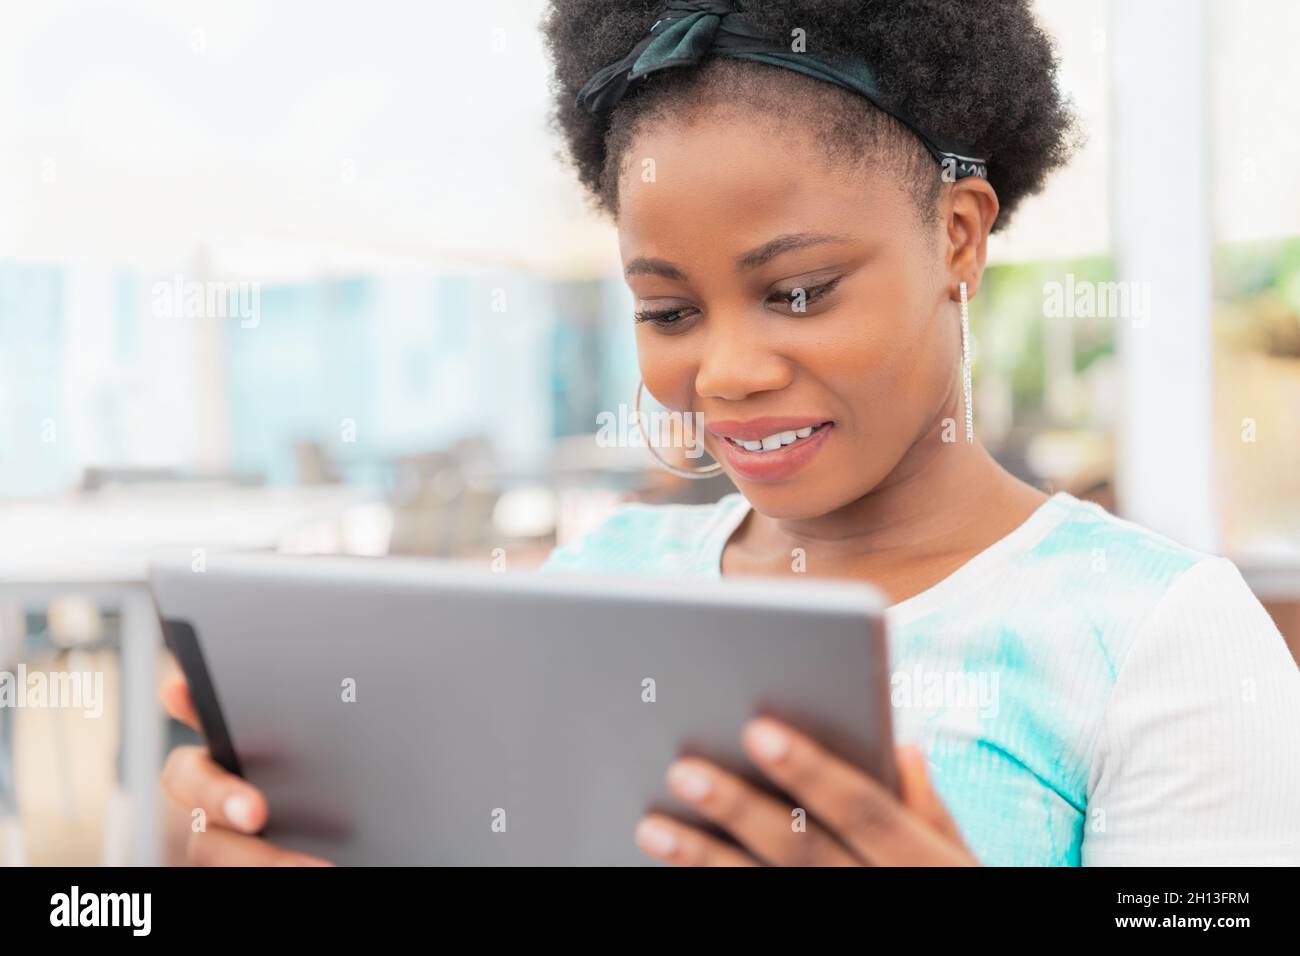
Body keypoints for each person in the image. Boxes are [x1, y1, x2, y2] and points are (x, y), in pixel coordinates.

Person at [160, 0, 1300, 866]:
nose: (729, 371)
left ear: (957, 235)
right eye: (668, 311)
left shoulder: (1155, 640)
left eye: (799, 291)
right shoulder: (592, 586)